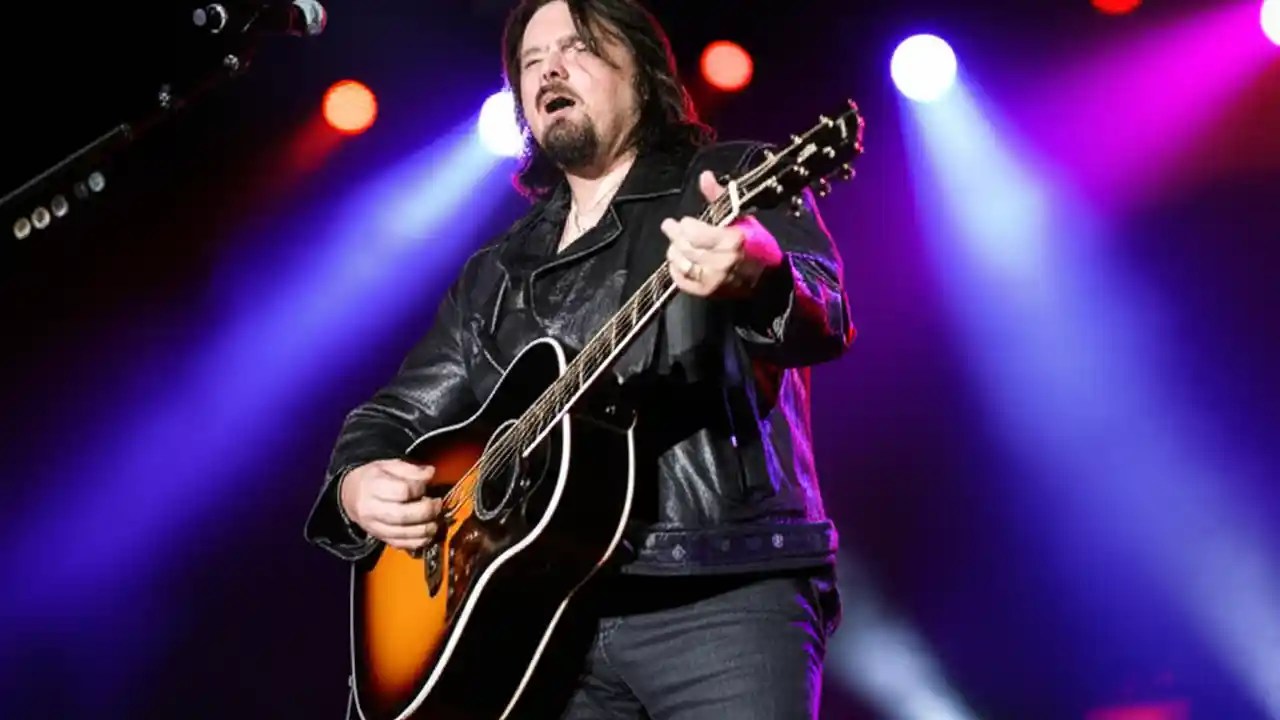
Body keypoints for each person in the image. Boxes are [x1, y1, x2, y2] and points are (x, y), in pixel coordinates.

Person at [304, 0, 855, 717]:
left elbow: (826, 313)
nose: (549, 72)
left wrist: (763, 271)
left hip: (722, 587)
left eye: (578, 50)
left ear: (647, 76)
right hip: (546, 622)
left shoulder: (726, 181)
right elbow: (395, 414)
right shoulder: (499, 271)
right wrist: (354, 486)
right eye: (531, 65)